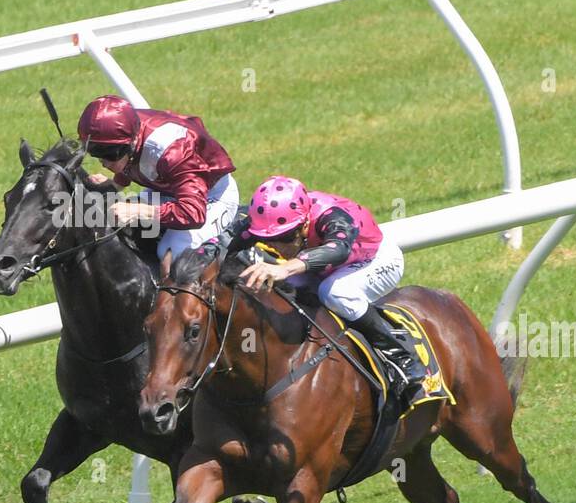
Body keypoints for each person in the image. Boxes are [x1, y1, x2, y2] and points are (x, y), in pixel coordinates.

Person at [234, 176, 428, 397]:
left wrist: (286, 268)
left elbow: (339, 249)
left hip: (373, 259)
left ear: (305, 223)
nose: (277, 246)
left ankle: (401, 354)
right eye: (268, 239)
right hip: (323, 267)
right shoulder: (267, 219)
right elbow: (225, 240)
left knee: (335, 293)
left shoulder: (330, 215)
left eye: (285, 237)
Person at [77, 95, 238, 261]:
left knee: (170, 251)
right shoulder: (126, 126)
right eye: (95, 153)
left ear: (131, 143)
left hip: (209, 199)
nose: (103, 163)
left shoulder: (173, 152)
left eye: (108, 155)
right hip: (166, 190)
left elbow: (193, 213)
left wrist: (140, 210)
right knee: (110, 223)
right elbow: (131, 159)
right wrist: (115, 185)